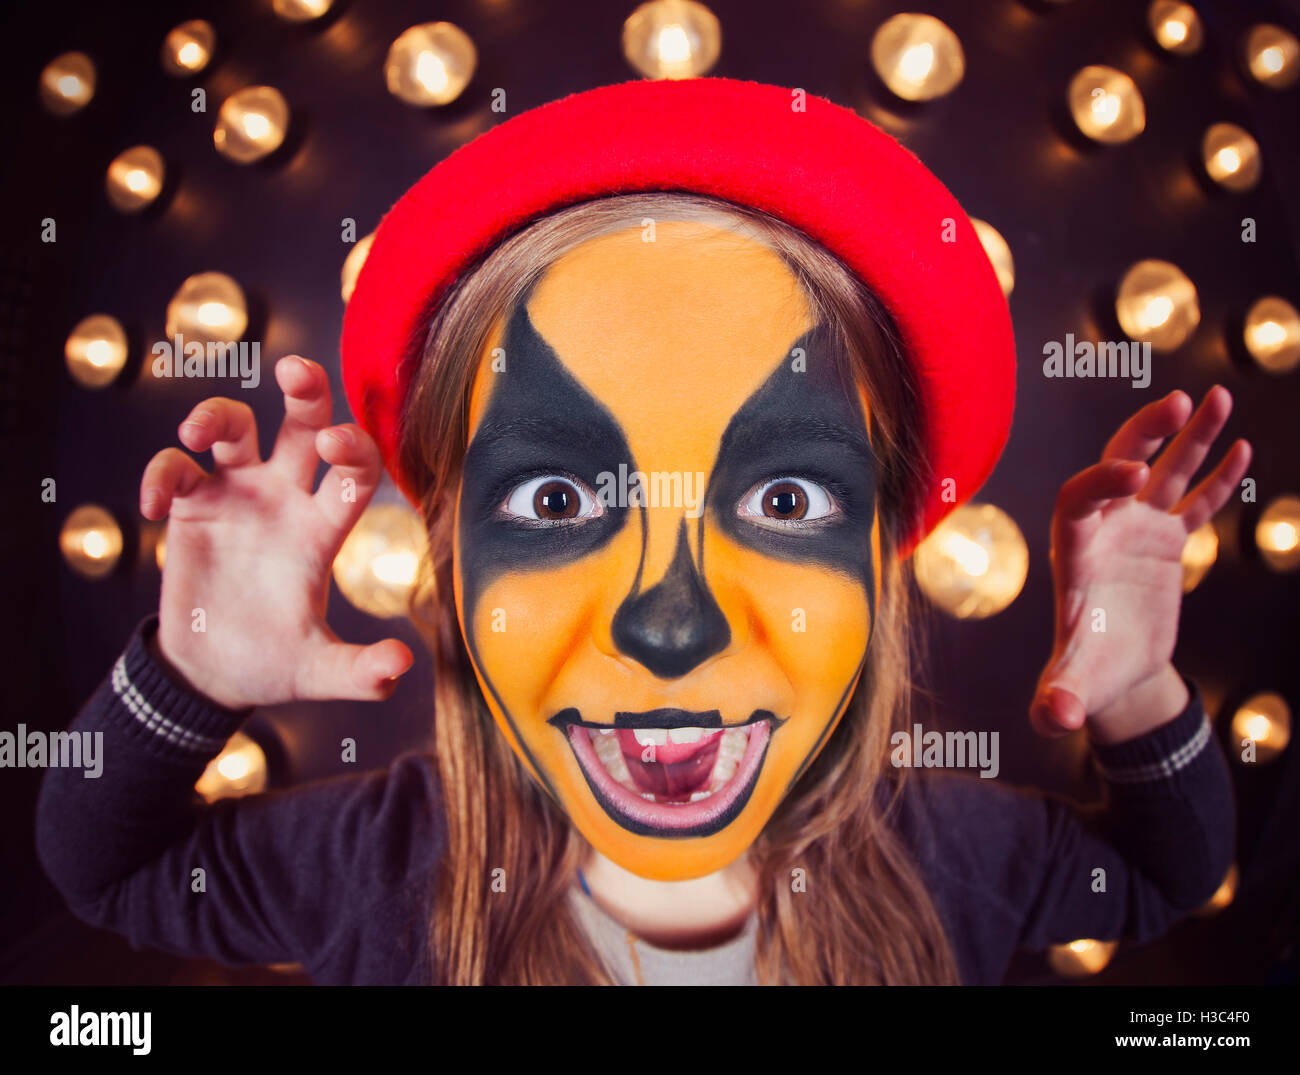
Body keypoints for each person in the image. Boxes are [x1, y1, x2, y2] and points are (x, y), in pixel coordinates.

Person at [37, 79, 1248, 985]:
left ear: (883, 564)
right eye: (556, 503)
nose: (670, 626)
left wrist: (1136, 685)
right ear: (449, 561)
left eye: (785, 502)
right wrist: (190, 675)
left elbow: (1164, 873)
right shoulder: (375, 870)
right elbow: (104, 867)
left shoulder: (941, 854)